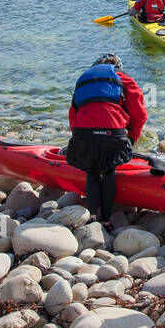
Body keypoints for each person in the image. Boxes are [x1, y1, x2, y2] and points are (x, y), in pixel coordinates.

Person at [65, 53, 147, 224]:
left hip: (82, 134)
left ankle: (92, 215)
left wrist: (80, 140)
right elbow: (140, 115)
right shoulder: (125, 79)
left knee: (92, 171)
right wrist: (132, 138)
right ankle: (106, 220)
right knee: (109, 170)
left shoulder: (83, 79)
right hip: (112, 134)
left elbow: (74, 113)